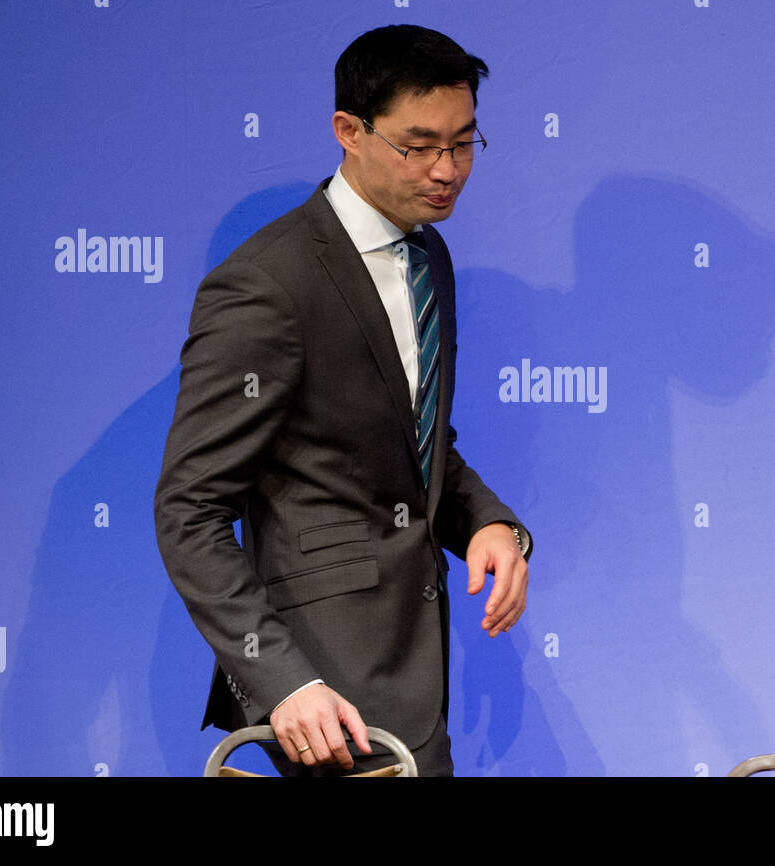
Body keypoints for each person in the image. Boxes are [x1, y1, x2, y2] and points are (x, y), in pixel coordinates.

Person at [153, 24, 531, 777]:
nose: (447, 170)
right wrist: (284, 683)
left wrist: (487, 522)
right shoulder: (267, 284)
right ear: (347, 131)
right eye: (419, 146)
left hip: (413, 676)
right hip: (322, 700)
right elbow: (188, 511)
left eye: (463, 143)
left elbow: (413, 444)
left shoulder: (427, 253)